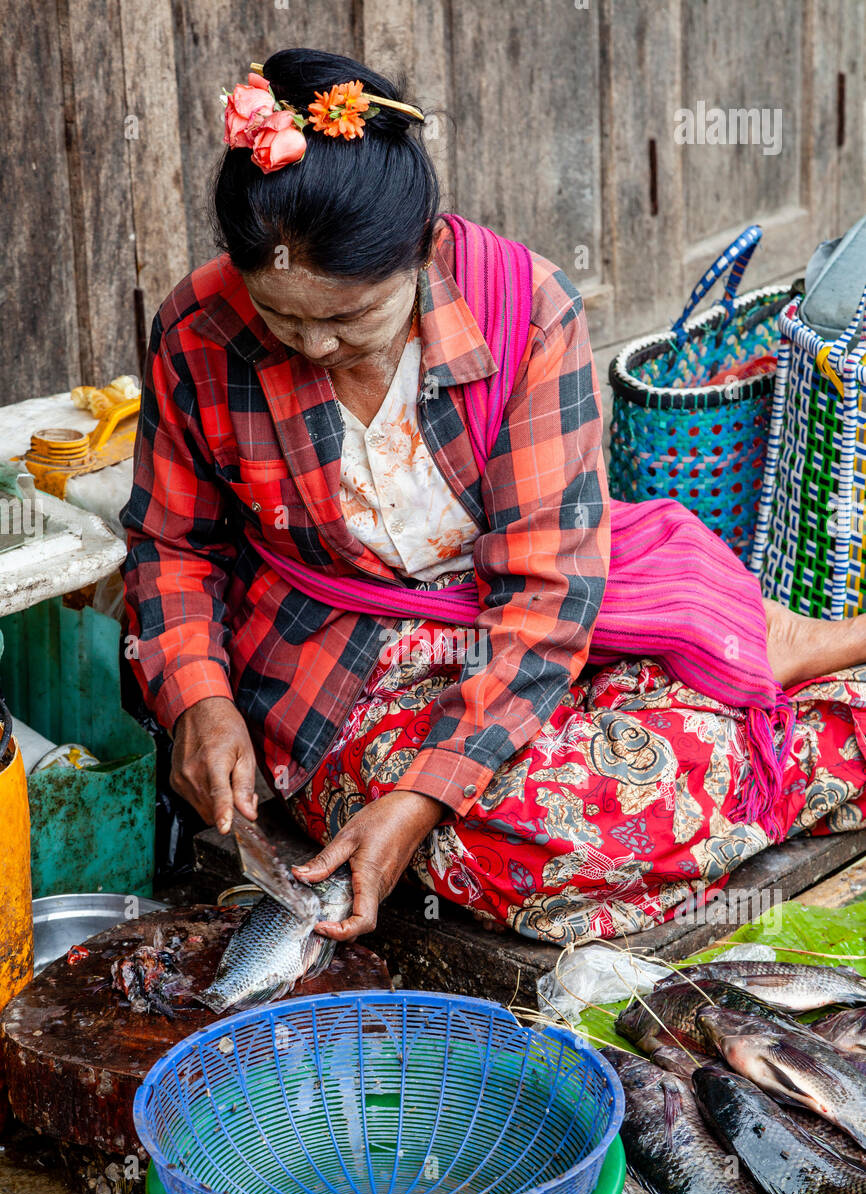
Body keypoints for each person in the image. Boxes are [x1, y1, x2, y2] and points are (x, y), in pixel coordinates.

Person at [122, 48, 866, 946]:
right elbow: (173, 544)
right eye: (284, 318)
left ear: (426, 252)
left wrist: (425, 791)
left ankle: (762, 687)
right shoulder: (197, 328)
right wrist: (198, 698)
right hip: (338, 657)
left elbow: (546, 597)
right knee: (525, 835)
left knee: (598, 792)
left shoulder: (526, 308)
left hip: (521, 614)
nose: (314, 347)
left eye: (351, 320)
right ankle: (788, 712)